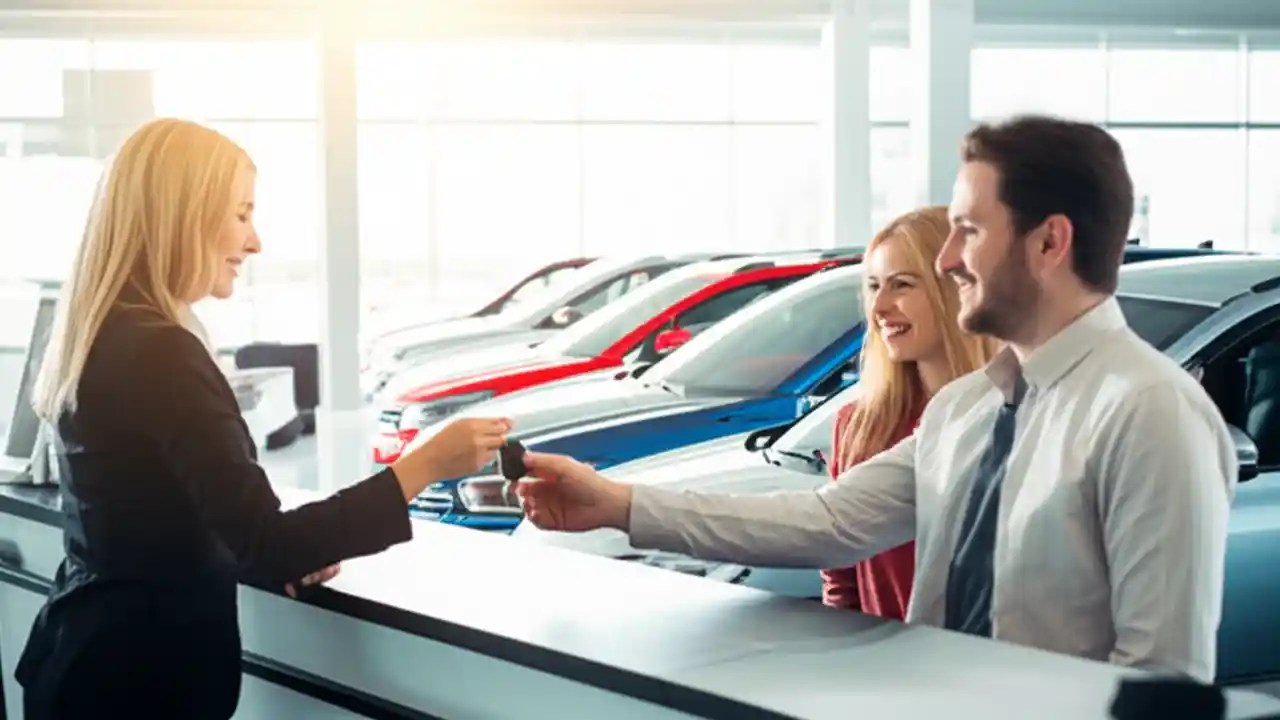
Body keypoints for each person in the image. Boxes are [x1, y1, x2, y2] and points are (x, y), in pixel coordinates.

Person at [514, 115, 1237, 683]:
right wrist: (617, 506)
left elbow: (1160, 684)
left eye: (970, 231)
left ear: (1050, 243)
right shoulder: (970, 412)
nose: (949, 259)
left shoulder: (1150, 412)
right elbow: (826, 523)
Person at [15, 118, 513, 719]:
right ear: (182, 216)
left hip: (86, 666)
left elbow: (153, 525)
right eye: (242, 213)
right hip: (135, 690)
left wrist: (256, 553)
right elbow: (267, 543)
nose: (255, 243)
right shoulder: (161, 352)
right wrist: (424, 466)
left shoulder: (109, 331)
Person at [821, 206, 998, 618]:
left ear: (956, 287)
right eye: (873, 286)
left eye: (901, 285)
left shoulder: (1017, 416)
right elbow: (841, 579)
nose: (879, 307)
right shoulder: (858, 424)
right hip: (883, 673)